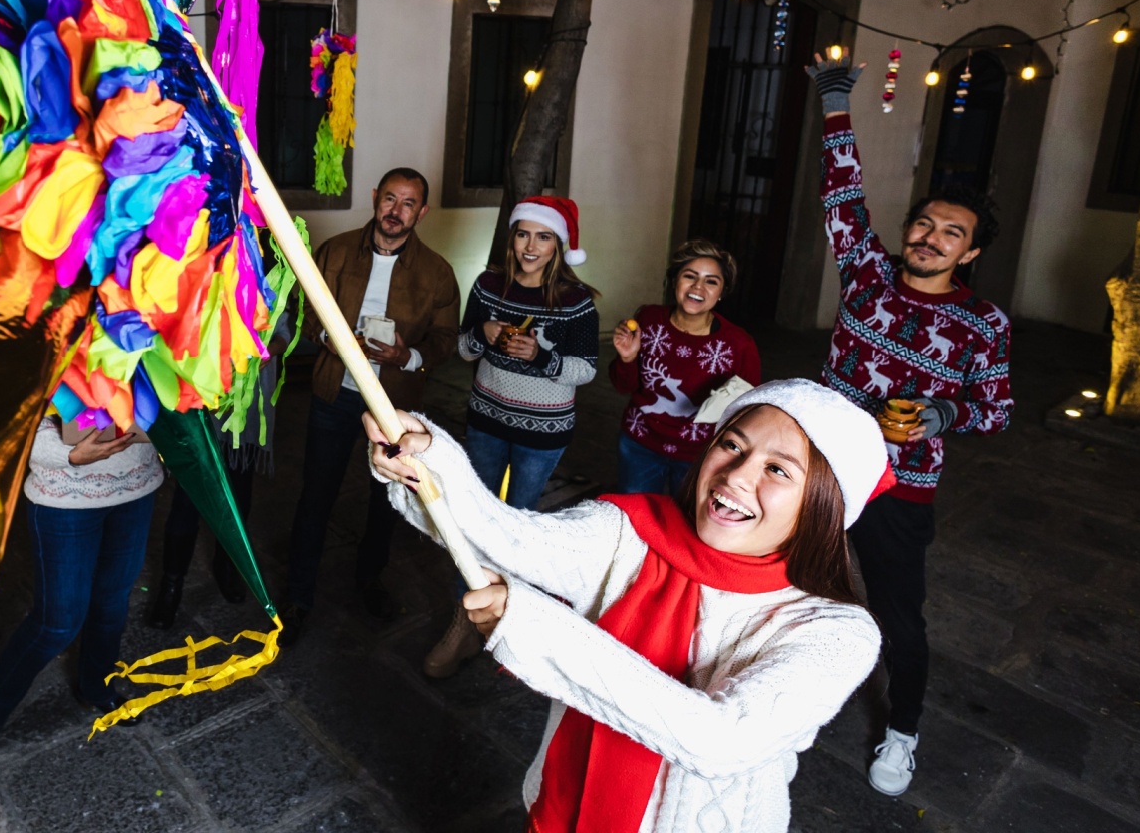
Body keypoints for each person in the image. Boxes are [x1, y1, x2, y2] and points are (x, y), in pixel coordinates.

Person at [366, 379, 889, 832]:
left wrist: (541, 630)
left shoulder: (836, 633)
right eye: (731, 444)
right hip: (563, 799)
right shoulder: (632, 531)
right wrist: (429, 463)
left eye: (778, 470)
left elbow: (722, 739)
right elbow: (511, 541)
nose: (736, 475)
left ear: (824, 506)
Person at [805, 55, 1014, 796]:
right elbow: (842, 193)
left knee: (899, 616)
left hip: (901, 484)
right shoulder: (867, 272)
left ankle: (902, 732)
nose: (930, 237)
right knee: (786, 580)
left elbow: (996, 410)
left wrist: (944, 413)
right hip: (824, 462)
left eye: (951, 233)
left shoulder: (982, 323)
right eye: (924, 223)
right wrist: (835, 104)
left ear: (971, 251)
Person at [283, 167, 460, 644]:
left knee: (386, 502)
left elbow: (446, 338)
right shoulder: (335, 251)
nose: (396, 211)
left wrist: (408, 356)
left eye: (408, 203)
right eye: (390, 199)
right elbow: (303, 307)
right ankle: (298, 596)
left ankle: (370, 581)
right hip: (334, 394)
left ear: (421, 212)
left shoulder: (437, 272)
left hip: (394, 408)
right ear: (375, 197)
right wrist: (332, 342)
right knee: (316, 495)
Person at [424, 196, 599, 678]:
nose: (531, 246)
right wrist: (483, 331)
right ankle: (464, 623)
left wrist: (539, 356)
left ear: (558, 245)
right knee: (471, 521)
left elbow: (586, 370)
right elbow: (464, 350)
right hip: (487, 420)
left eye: (543, 237)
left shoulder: (574, 301)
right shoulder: (488, 285)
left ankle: (509, 626)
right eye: (523, 234)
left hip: (543, 431)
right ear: (512, 238)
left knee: (518, 528)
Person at [0, 413, 165, 771]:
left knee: (112, 602)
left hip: (137, 484)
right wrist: (63, 454)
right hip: (64, 493)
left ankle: (96, 688)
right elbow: (4, 414)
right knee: (56, 623)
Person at [611, 238, 762, 495]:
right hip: (640, 444)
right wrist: (627, 358)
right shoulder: (648, 319)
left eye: (711, 281)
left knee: (687, 518)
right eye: (689, 276)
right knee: (636, 514)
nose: (698, 287)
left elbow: (750, 410)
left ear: (722, 291)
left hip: (700, 455)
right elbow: (622, 385)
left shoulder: (739, 345)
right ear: (675, 281)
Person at [143, 355, 278, 629]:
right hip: (201, 396)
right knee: (187, 501)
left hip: (246, 401)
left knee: (238, 497)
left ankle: (226, 565)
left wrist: (267, 351)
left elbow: (284, 334)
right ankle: (171, 583)